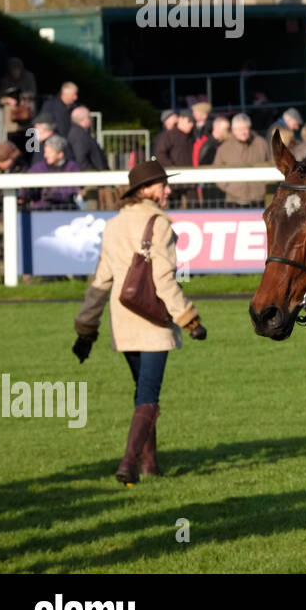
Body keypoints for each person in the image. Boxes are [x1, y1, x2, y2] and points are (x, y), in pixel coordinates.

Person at [72, 160, 207, 484]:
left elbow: (101, 281)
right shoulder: (158, 224)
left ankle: (150, 464)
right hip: (154, 322)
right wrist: (189, 319)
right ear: (146, 190)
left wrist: (86, 330)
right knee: (149, 394)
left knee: (142, 393)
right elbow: (162, 279)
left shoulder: (114, 224)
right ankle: (129, 463)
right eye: (162, 184)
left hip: (124, 321)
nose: (168, 190)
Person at [212, 113, 274, 206]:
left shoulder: (261, 143)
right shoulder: (224, 148)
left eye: (246, 128)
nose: (243, 132)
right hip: (234, 200)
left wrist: (264, 186)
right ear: (233, 130)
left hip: (258, 199)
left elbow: (272, 164)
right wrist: (229, 187)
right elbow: (216, 171)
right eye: (240, 129)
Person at [24, 134, 81, 209]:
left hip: (66, 209)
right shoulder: (39, 168)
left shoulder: (72, 167)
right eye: (45, 152)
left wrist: (54, 195)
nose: (45, 156)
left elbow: (74, 189)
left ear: (60, 154)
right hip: (41, 210)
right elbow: (25, 188)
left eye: (49, 153)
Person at [67, 106, 108, 171]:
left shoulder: (80, 133)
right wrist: (92, 173)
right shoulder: (79, 135)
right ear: (84, 119)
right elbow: (81, 159)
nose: (90, 120)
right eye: (89, 117)